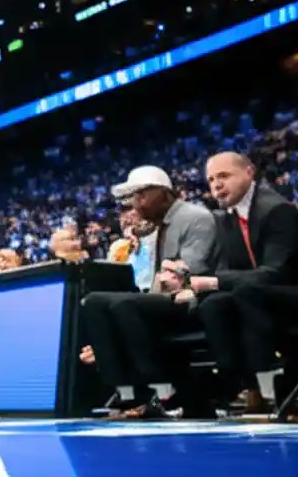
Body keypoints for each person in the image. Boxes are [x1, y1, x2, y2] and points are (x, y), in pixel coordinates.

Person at [194, 152, 298, 409]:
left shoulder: (276, 209)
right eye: (211, 179)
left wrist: (212, 281)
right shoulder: (228, 216)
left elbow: (274, 273)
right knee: (214, 305)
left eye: (224, 176)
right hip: (264, 292)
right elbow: (236, 271)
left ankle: (281, 378)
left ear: (249, 173)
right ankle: (244, 386)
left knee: (244, 293)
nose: (216, 185)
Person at [78, 165, 217, 418]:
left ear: (164, 193)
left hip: (193, 299)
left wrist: (172, 276)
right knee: (94, 302)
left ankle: (158, 389)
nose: (136, 204)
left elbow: (189, 272)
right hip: (164, 299)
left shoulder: (195, 217)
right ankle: (127, 390)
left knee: (125, 306)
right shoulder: (156, 227)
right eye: (133, 198)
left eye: (141, 195)